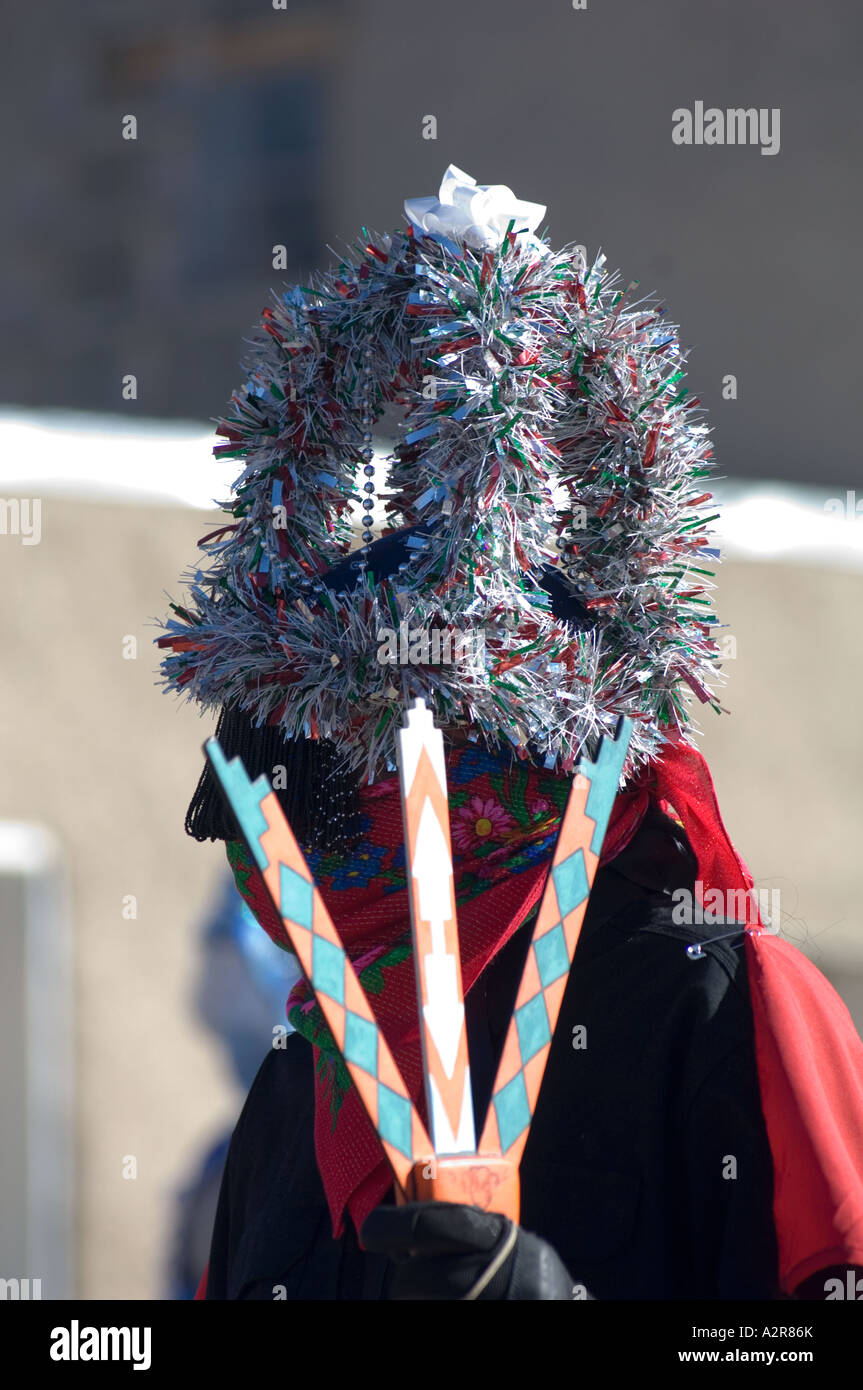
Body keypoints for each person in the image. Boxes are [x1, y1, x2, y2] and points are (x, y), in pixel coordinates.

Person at [158, 166, 863, 1300]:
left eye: (376, 746)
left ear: (528, 741)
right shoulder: (306, 1081)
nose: (330, 801)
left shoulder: (720, 1002)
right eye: (313, 751)